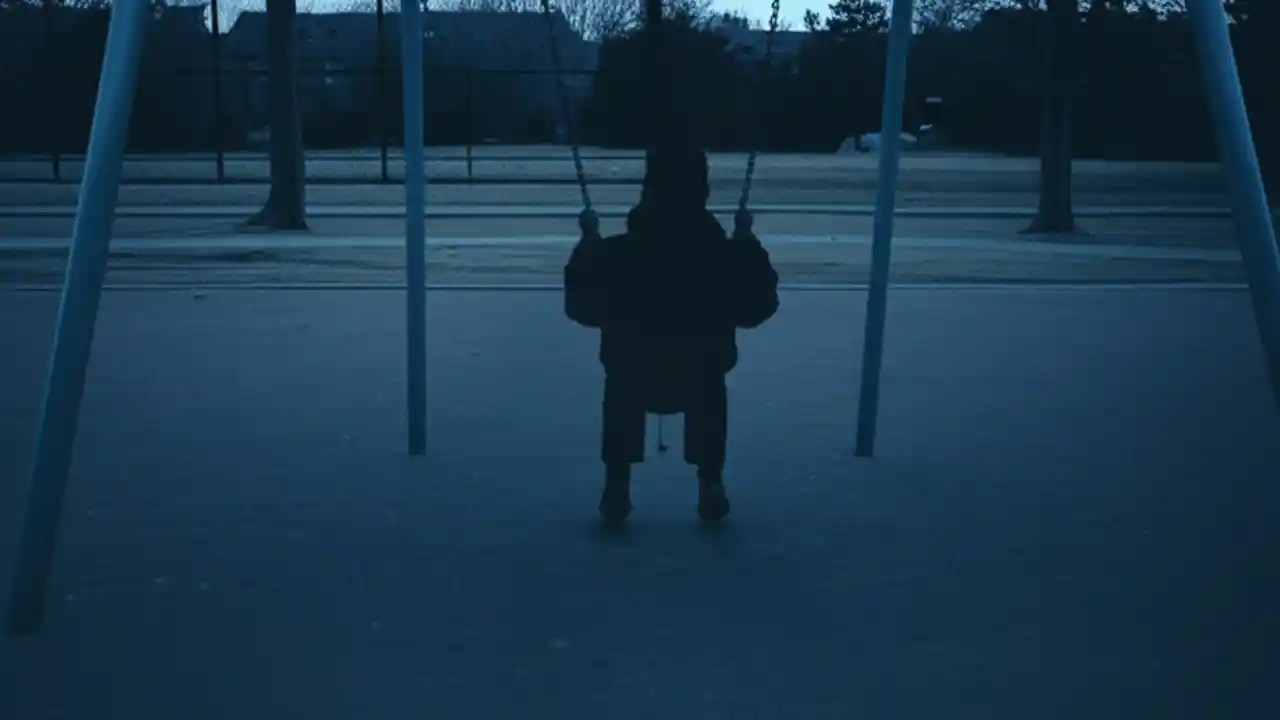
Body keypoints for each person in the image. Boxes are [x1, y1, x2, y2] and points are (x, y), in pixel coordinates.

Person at [563, 145, 780, 524]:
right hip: (701, 368)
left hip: (633, 368)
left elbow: (584, 310)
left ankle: (617, 483)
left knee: (622, 384)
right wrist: (747, 244)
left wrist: (586, 250)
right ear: (704, 194)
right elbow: (755, 309)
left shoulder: (617, 254)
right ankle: (710, 480)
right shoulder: (723, 256)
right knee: (709, 384)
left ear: (648, 194)